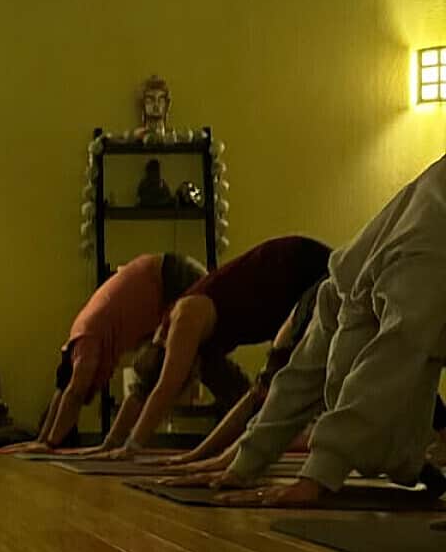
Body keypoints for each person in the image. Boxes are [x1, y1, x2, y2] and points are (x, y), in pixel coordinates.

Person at [168, 160, 446, 506]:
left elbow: (389, 363)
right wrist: (245, 461)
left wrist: (315, 478)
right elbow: (302, 372)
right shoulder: (354, 272)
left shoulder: (422, 261)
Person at [92, 235, 331, 461]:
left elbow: (165, 387)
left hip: (297, 267)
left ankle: (314, 438)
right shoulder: (193, 342)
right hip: (282, 293)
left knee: (287, 379)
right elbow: (141, 390)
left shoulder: (184, 321)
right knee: (266, 389)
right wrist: (111, 443)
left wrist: (132, 446)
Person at [2, 253, 206, 454]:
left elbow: (74, 393)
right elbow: (63, 389)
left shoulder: (87, 346)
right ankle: (114, 444)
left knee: (161, 372)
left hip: (171, 278)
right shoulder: (78, 339)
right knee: (149, 373)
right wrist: (41, 440)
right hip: (162, 275)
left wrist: (50, 443)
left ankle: (121, 445)